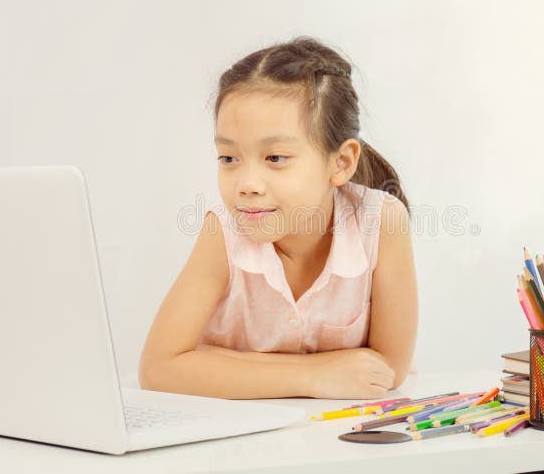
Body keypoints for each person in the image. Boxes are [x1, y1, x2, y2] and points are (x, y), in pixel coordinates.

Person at [139, 36, 418, 399]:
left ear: (341, 162)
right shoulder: (222, 233)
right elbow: (159, 368)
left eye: (275, 158)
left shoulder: (382, 222)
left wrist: (217, 364)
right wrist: (314, 376)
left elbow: (387, 368)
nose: (247, 184)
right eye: (228, 158)